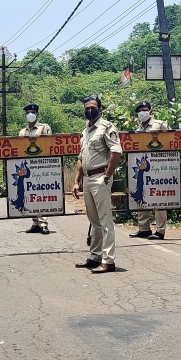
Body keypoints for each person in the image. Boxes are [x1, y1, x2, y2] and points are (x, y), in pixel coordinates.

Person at [72, 95, 122, 274]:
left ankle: (108, 261)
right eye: (87, 107)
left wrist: (107, 176)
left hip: (100, 177)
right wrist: (77, 181)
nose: (89, 110)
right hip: (87, 179)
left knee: (105, 220)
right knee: (94, 221)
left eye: (92, 107)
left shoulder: (107, 127)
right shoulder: (86, 130)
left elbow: (116, 152)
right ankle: (95, 256)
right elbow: (81, 157)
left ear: (100, 109)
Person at [129, 101, 170, 240]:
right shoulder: (138, 130)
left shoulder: (160, 124)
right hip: (142, 168)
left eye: (144, 110)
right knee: (142, 195)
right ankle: (144, 228)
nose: (142, 112)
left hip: (158, 167)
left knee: (158, 198)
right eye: (139, 110)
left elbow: (171, 141)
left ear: (150, 111)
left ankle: (160, 231)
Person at [19, 103, 52, 235]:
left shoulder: (44, 128)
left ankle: (43, 223)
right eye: (27, 112)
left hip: (41, 166)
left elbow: (50, 145)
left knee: (42, 194)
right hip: (27, 167)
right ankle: (35, 222)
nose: (30, 114)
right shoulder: (23, 132)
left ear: (37, 114)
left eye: (32, 112)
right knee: (30, 195)